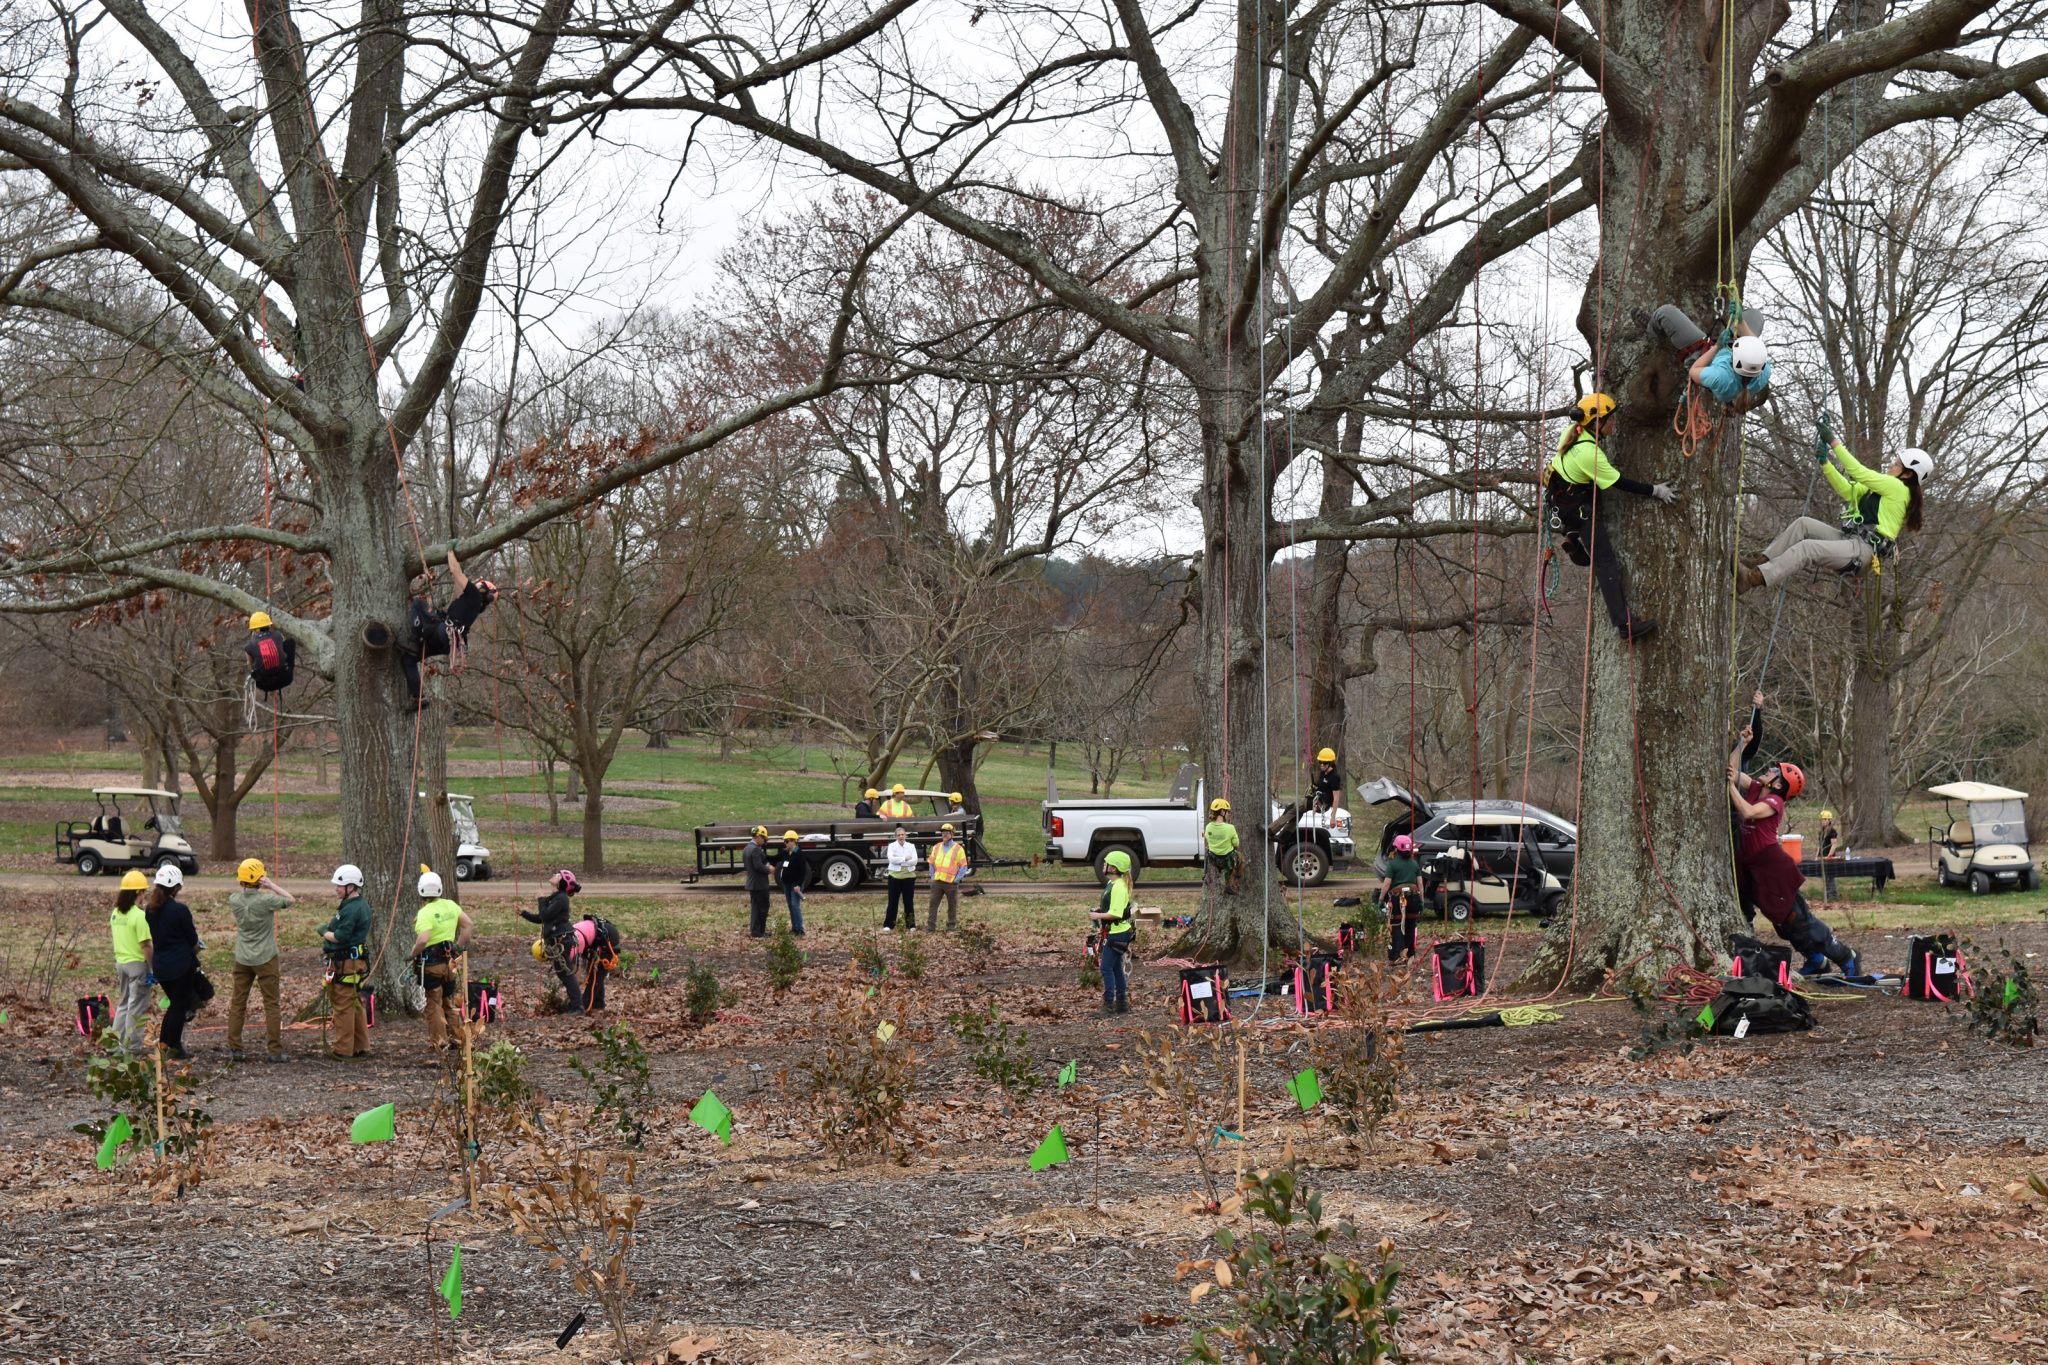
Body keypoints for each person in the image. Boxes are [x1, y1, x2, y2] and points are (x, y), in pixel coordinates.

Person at [1546, 392, 1678, 642]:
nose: (1614, 423)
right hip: (1577, 507)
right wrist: (1655, 491)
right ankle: (1624, 625)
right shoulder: (1590, 454)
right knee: (1604, 562)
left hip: (1561, 499)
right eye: (1609, 419)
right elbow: (1620, 482)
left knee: (1589, 490)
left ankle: (1572, 535)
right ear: (1595, 423)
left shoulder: (1572, 433)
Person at [1727, 747, 1862, 977]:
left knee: (1799, 920)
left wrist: (1730, 787)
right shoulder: (1758, 788)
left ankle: (1846, 956)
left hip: (1774, 868)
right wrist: (1742, 744)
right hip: (1755, 868)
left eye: (1773, 771)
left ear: (1778, 785)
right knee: (1781, 923)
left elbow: (1748, 811)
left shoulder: (1774, 801)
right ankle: (1816, 960)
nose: (1768, 770)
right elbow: (1731, 771)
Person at [1741, 437, 1929, 593]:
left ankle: (1753, 578)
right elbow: (1848, 490)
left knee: (1807, 548)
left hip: (1862, 551)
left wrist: (1833, 442)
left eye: (1896, 465)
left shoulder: (1898, 488)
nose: (1890, 466)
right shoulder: (1884, 487)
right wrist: (1825, 463)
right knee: (1803, 524)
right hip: (1852, 540)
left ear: (1907, 475)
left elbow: (1859, 473)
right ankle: (1761, 560)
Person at [403, 549, 501, 699]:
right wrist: (455, 558)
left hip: (445, 632)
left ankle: (415, 636)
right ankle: (418, 696)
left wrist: (450, 550)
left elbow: (456, 572)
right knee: (408, 659)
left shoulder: (474, 596)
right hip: (446, 643)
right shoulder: (473, 604)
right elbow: (457, 582)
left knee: (418, 604)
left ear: (482, 589)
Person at [226, 857, 293, 1063]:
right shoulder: (267, 900)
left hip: (243, 957)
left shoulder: (234, 899)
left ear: (241, 880)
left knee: (238, 1002)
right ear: (260, 878)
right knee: (271, 1003)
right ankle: (274, 1050)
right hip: (265, 957)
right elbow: (291, 899)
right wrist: (271, 884)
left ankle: (235, 1048)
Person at [1649, 303, 1771, 411]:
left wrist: (1717, 347)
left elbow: (1694, 371)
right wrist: (1740, 321)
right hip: (1727, 355)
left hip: (1706, 359)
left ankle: (1652, 332)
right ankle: (1736, 328)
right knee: (1756, 315)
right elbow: (1753, 340)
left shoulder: (1721, 378)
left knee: (1665, 312)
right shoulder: (1764, 370)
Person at [145, 864, 207, 1061]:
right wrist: (197, 948)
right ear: (175, 887)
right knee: (178, 1007)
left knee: (176, 1006)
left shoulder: (150, 910)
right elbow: (192, 940)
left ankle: (172, 1045)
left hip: (161, 966)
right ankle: (169, 1046)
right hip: (180, 967)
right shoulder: (180, 910)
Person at [410, 870, 472, 1050]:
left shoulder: (425, 912)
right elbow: (468, 925)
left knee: (434, 1004)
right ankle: (458, 1038)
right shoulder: (451, 905)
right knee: (448, 1001)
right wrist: (457, 947)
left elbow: (422, 940)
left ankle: (440, 1041)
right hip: (449, 963)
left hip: (432, 964)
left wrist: (413, 954)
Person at [321, 863, 373, 1059]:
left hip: (346, 964)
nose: (336, 889)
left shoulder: (352, 909)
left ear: (350, 887)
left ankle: (343, 1050)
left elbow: (340, 936)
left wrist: (324, 932)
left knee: (343, 1004)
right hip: (351, 962)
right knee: (354, 1004)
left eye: (339, 886)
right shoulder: (355, 905)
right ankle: (361, 1046)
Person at [522, 868, 587, 1011]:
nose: (553, 875)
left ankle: (577, 1006)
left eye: (557, 875)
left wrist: (540, 898)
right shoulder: (556, 897)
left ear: (563, 882)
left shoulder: (561, 898)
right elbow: (542, 918)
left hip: (562, 941)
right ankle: (576, 1004)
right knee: (564, 973)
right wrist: (523, 913)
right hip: (558, 941)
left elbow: (545, 915)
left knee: (566, 974)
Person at [109, 870, 155, 1050]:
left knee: (123, 1004)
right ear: (138, 892)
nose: (145, 895)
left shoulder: (116, 913)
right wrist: (153, 968)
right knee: (136, 1008)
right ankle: (131, 1047)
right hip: (137, 966)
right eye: (144, 891)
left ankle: (113, 1044)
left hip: (121, 964)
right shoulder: (139, 916)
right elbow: (146, 946)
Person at [1089, 849, 1135, 1015]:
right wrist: (1100, 909)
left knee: (1106, 968)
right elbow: (1114, 908)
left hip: (1118, 934)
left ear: (1113, 868)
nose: (1103, 864)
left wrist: (1096, 915)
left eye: (1106, 862)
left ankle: (1108, 1005)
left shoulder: (1119, 887)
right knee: (1116, 968)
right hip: (1114, 931)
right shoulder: (1112, 884)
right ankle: (1121, 1004)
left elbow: (1115, 914)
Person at [1378, 834, 1426, 963]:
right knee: (1410, 926)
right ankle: (1410, 954)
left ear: (1397, 849)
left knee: (1397, 926)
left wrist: (1381, 900)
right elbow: (1420, 885)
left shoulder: (1393, 865)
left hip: (1398, 900)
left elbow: (1387, 884)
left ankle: (1396, 955)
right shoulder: (1414, 865)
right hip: (1414, 899)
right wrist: (1422, 902)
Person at [926, 823, 968, 931]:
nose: (944, 834)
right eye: (943, 832)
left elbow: (964, 866)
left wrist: (956, 880)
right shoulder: (936, 847)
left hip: (951, 883)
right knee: (933, 905)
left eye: (947, 832)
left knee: (952, 906)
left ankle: (951, 927)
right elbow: (931, 862)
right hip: (937, 881)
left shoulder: (958, 849)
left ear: (952, 834)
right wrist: (932, 875)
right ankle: (930, 927)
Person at [578, 913, 622, 1011]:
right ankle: (598, 1003)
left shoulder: (574, 940)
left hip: (608, 939)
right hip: (596, 939)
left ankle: (584, 1005)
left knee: (595, 976)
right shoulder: (572, 935)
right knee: (595, 975)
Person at [244, 611, 296, 692]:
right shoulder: (277, 635)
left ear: (254, 629)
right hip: (285, 679)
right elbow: (281, 641)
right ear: (269, 625)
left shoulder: (249, 645)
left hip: (263, 684)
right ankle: (284, 667)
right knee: (290, 642)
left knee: (254, 657)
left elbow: (249, 664)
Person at [882, 825, 918, 931]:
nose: (901, 837)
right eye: (898, 835)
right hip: (894, 877)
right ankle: (889, 924)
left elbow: (914, 861)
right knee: (892, 902)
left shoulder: (911, 846)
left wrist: (900, 861)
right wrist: (905, 859)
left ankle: (911, 925)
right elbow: (891, 860)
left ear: (905, 835)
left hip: (909, 877)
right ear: (896, 837)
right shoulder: (892, 846)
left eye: (902, 834)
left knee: (908, 902)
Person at [774, 830, 809, 936]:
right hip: (786, 884)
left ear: (794, 841)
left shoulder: (800, 854)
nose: (785, 843)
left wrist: (798, 885)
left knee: (795, 905)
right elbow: (775, 858)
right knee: (790, 906)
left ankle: (800, 929)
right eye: (785, 841)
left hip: (795, 885)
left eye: (787, 841)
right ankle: (794, 928)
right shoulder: (785, 853)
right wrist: (763, 856)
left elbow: (803, 872)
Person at [1204, 798, 1242, 893]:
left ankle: (1206, 875)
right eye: (1227, 812)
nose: (1228, 814)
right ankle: (1232, 882)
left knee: (1208, 850)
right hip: (1227, 860)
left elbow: (1208, 840)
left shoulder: (1208, 827)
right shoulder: (1230, 828)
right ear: (1222, 812)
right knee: (1240, 858)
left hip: (1213, 859)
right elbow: (1236, 843)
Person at [1310, 747, 1344, 813]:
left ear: (1330, 763)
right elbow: (1321, 787)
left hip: (1324, 805)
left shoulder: (1334, 777)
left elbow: (1336, 798)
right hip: (1317, 801)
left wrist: (1333, 816)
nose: (1322, 765)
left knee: (1295, 808)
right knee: (1293, 808)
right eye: (1320, 762)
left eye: (1325, 763)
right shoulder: (1323, 773)